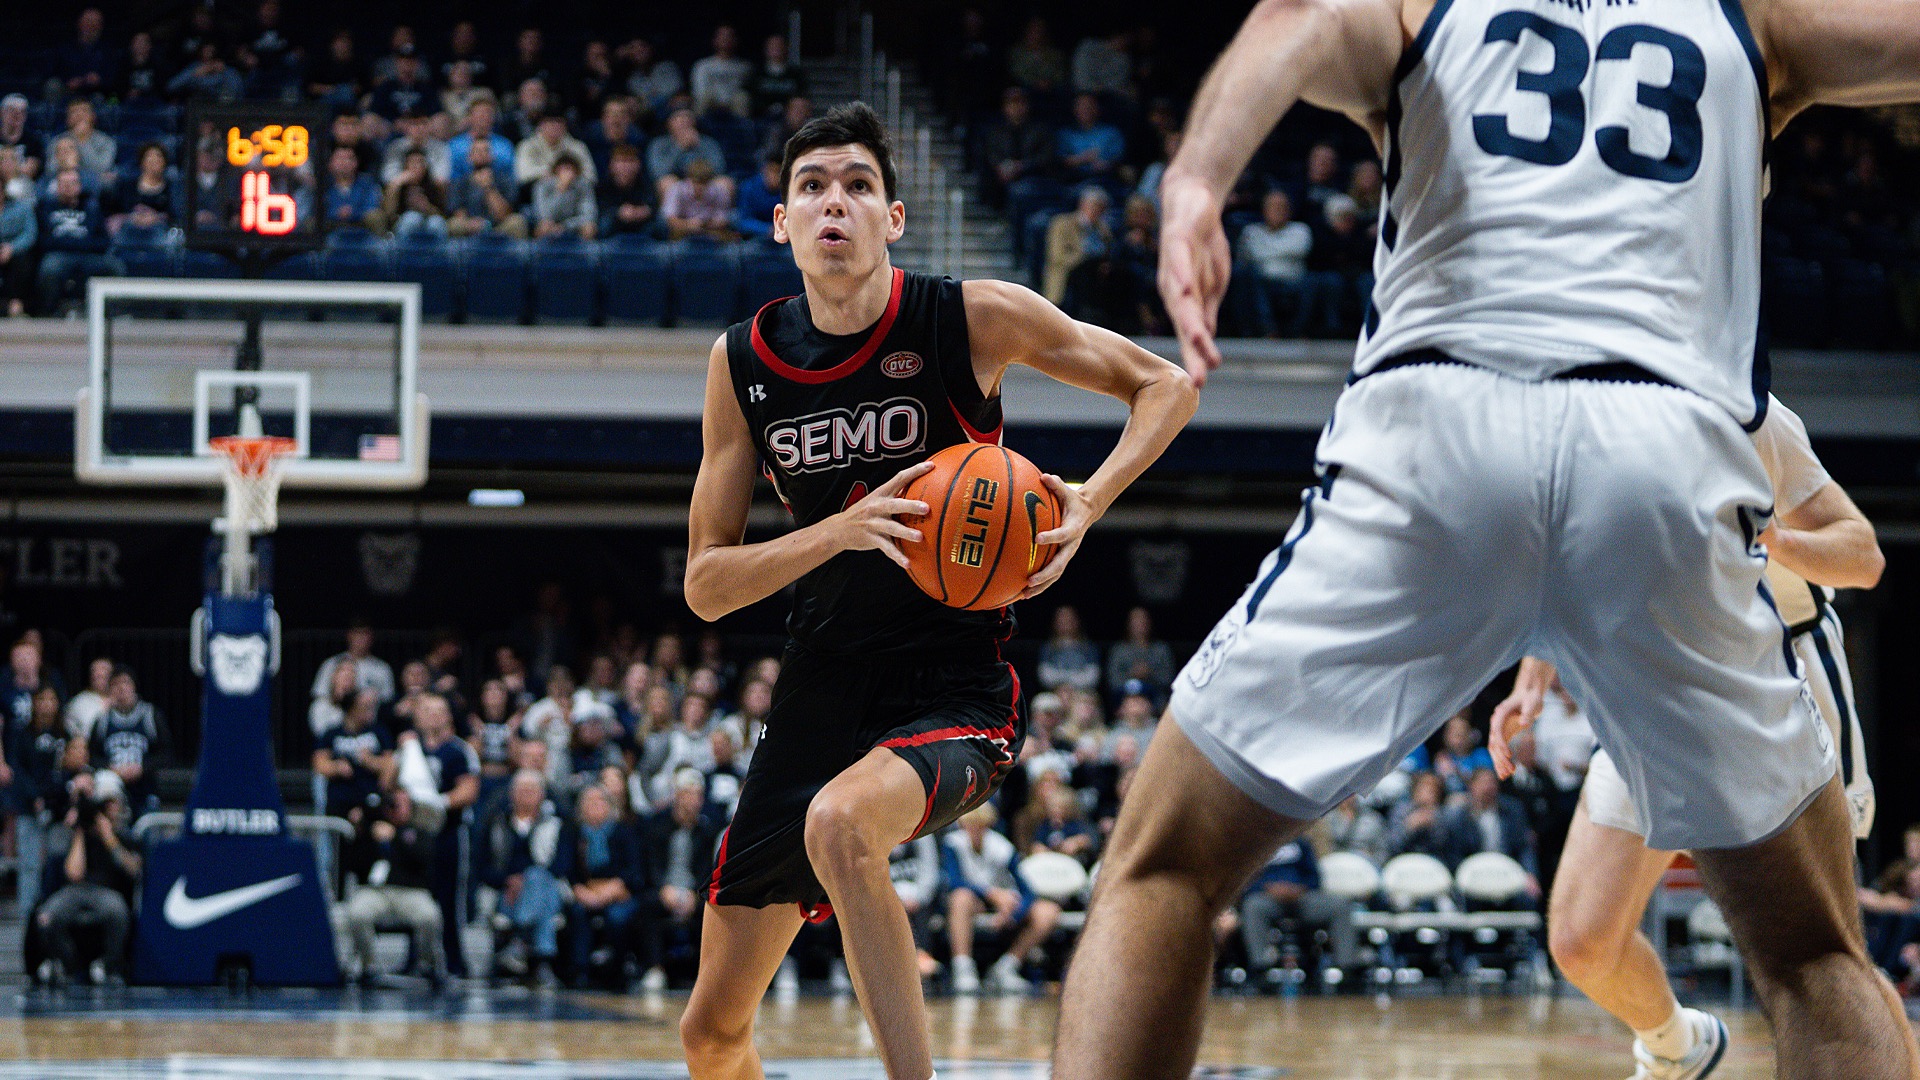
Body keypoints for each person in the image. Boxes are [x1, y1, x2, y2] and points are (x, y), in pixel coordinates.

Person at [1052, 0, 1920, 1074]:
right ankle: (1675, 1040)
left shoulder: (1431, 7)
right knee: (1812, 956)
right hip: (1664, 451)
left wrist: (1195, 181)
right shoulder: (1745, 19)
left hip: (1438, 430)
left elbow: (1298, 18)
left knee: (1163, 870)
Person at [680, 102, 1195, 1080]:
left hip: (953, 687)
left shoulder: (971, 318)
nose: (836, 202)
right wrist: (838, 529)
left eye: (858, 186)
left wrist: (1089, 500)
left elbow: (1164, 386)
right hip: (821, 689)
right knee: (710, 1037)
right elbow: (706, 586)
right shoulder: (741, 363)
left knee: (840, 825)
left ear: (895, 218)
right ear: (782, 224)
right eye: (813, 187)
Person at [1487, 392, 1886, 1078]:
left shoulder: (1747, 414)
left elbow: (1865, 558)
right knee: (1583, 940)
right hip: (1656, 682)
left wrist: (1776, 540)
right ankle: (1680, 1048)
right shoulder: (1575, 430)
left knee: (1826, 962)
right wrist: (1533, 678)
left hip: (1776, 675)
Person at [36, 770, 141, 986]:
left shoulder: (123, 834)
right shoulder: (78, 832)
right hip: (76, 890)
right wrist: (81, 831)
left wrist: (108, 836)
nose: (108, 809)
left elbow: (133, 870)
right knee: (47, 916)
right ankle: (67, 965)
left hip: (107, 892)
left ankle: (109, 966)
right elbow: (74, 874)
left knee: (118, 911)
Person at [338, 786, 444, 986]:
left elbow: (424, 861)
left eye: (404, 804)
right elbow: (352, 864)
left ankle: (426, 964)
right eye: (394, 804)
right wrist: (365, 832)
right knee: (357, 912)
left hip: (411, 891)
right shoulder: (371, 829)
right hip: (376, 891)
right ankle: (369, 966)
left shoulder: (418, 831)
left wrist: (395, 838)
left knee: (429, 915)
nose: (399, 808)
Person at [478, 768, 570, 987]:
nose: (525, 795)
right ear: (511, 794)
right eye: (521, 790)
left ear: (542, 794)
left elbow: (562, 865)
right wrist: (507, 881)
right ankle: (542, 962)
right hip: (505, 892)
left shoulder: (556, 824)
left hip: (545, 886)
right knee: (542, 896)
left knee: (537, 876)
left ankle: (518, 942)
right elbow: (482, 865)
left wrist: (526, 880)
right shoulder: (496, 822)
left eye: (531, 790)